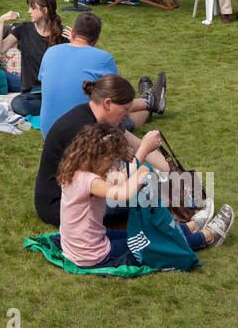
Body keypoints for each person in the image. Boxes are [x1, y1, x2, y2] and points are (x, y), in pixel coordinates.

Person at [55, 122, 232, 268]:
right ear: (98, 158)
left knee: (137, 235)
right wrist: (144, 171)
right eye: (111, 162)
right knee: (151, 244)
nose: (113, 168)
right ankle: (207, 237)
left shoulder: (77, 172)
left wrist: (143, 154)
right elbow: (121, 193)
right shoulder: (90, 180)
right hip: (91, 255)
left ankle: (189, 228)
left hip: (80, 247)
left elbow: (120, 179)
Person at [33, 74, 174, 227]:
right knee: (146, 198)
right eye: (125, 109)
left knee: (154, 189)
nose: (128, 115)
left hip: (82, 198)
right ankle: (183, 230)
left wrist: (174, 172)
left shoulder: (100, 118)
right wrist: (142, 154)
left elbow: (138, 144)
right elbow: (113, 183)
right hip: (60, 207)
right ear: (108, 103)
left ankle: (178, 210)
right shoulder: (82, 130)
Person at [37, 12, 161, 140]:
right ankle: (150, 103)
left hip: (49, 133)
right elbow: (118, 98)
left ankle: (150, 101)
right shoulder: (103, 58)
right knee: (119, 110)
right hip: (85, 136)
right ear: (97, 39)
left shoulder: (50, 52)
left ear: (72, 32)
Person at [0, 0, 64, 117]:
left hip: (54, 91)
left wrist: (75, 42)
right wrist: (1, 21)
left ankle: (56, 107)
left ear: (44, 10)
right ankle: (60, 107)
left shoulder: (61, 34)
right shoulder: (23, 29)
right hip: (32, 93)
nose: (29, 11)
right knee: (18, 104)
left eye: (32, 8)